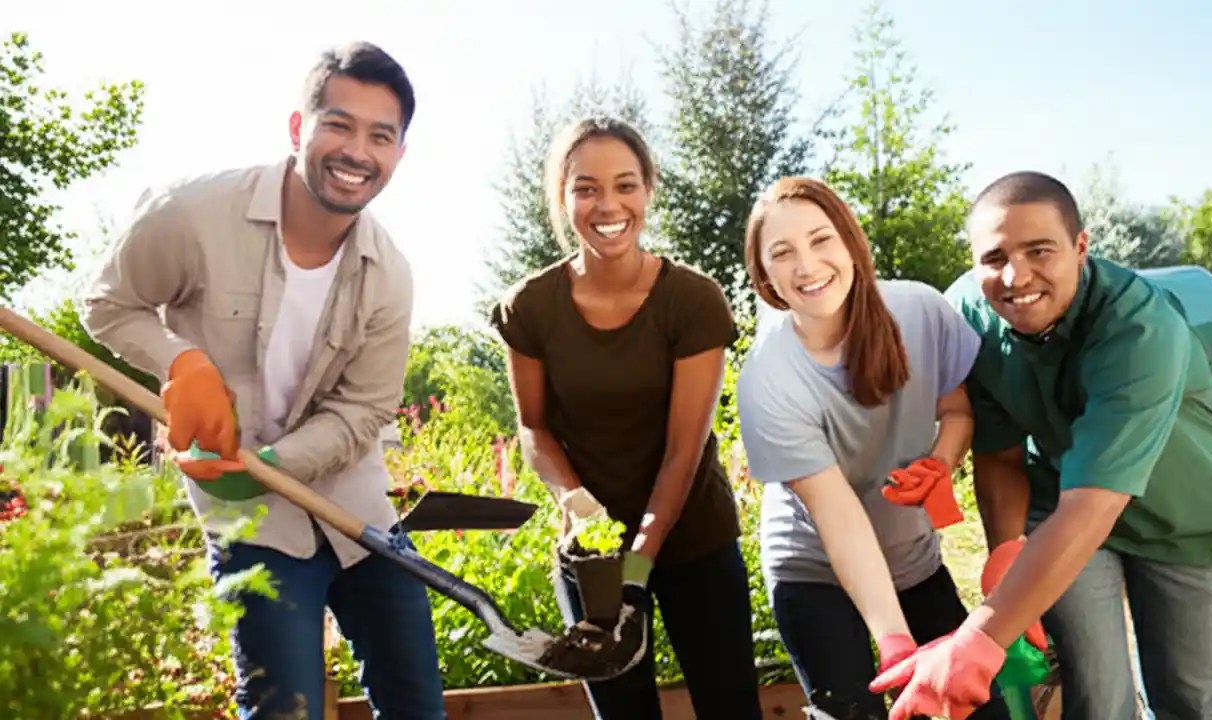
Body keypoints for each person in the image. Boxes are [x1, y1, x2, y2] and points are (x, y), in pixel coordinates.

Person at [81, 42, 448, 719]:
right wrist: (180, 361)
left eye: (380, 136)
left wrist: (274, 463)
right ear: (296, 129)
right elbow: (107, 304)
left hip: (358, 513)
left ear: (399, 153)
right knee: (286, 709)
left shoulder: (388, 273)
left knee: (417, 705)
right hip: (250, 523)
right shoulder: (193, 216)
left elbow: (364, 410)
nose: (356, 151)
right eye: (338, 124)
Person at [872, 170, 1212, 720]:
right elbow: (1000, 451)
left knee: (1186, 699)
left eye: (1039, 251)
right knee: (1097, 700)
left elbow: (1096, 502)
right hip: (1060, 509)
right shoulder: (975, 316)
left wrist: (977, 642)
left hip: (1179, 518)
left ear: (1080, 247)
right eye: (994, 257)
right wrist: (1007, 550)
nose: (1014, 276)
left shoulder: (1141, 329)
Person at [489, 115, 763, 719]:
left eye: (625, 185)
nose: (607, 204)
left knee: (730, 707)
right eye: (586, 188)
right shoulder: (530, 306)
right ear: (562, 198)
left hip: (694, 536)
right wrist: (575, 502)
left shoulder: (691, 300)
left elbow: (683, 449)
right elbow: (533, 426)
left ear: (648, 191)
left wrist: (638, 562)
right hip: (592, 558)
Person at [735, 175, 1014, 720]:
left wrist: (940, 463)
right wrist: (894, 640)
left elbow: (956, 411)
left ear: (850, 242)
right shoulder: (768, 376)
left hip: (911, 555)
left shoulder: (919, 312)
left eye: (821, 240)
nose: (808, 266)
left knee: (978, 707)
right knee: (850, 712)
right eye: (783, 253)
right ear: (765, 277)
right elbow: (836, 514)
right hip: (812, 565)